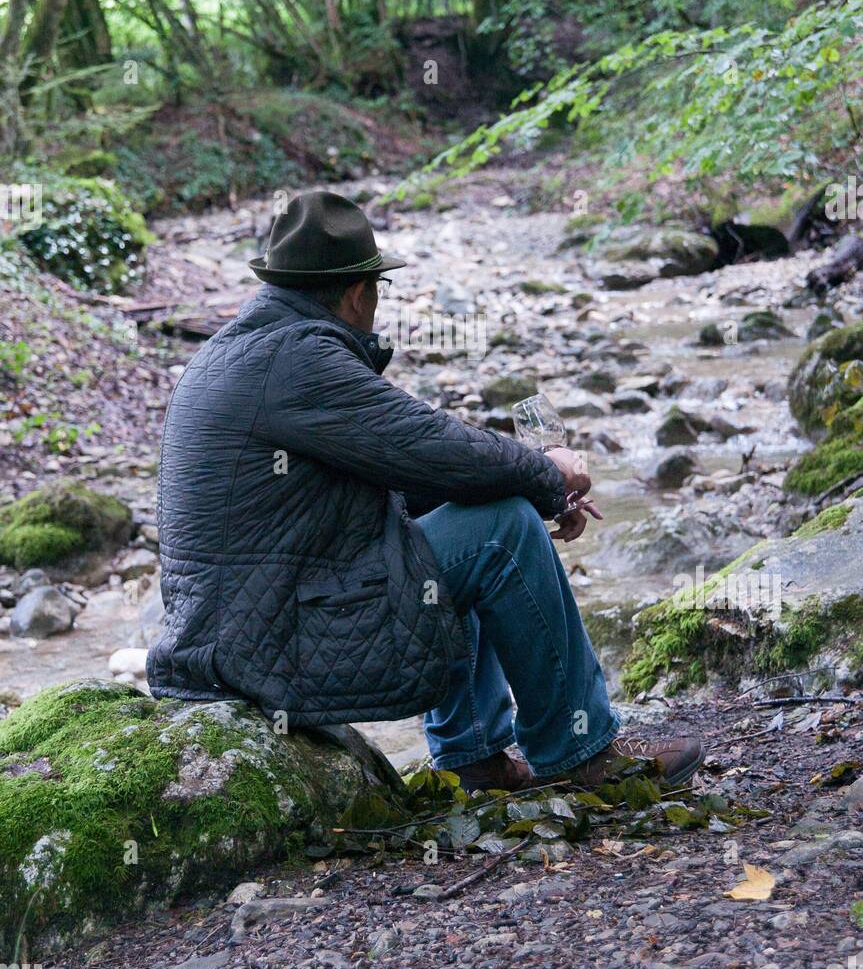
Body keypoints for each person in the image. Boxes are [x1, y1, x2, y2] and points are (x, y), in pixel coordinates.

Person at [147, 189, 703, 790]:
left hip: (234, 634)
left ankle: (473, 758)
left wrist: (534, 484)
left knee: (461, 518)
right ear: (360, 291)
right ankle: (581, 751)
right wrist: (552, 473)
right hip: (267, 647)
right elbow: (434, 447)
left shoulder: (241, 350)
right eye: (379, 290)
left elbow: (411, 476)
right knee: (504, 531)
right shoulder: (297, 358)